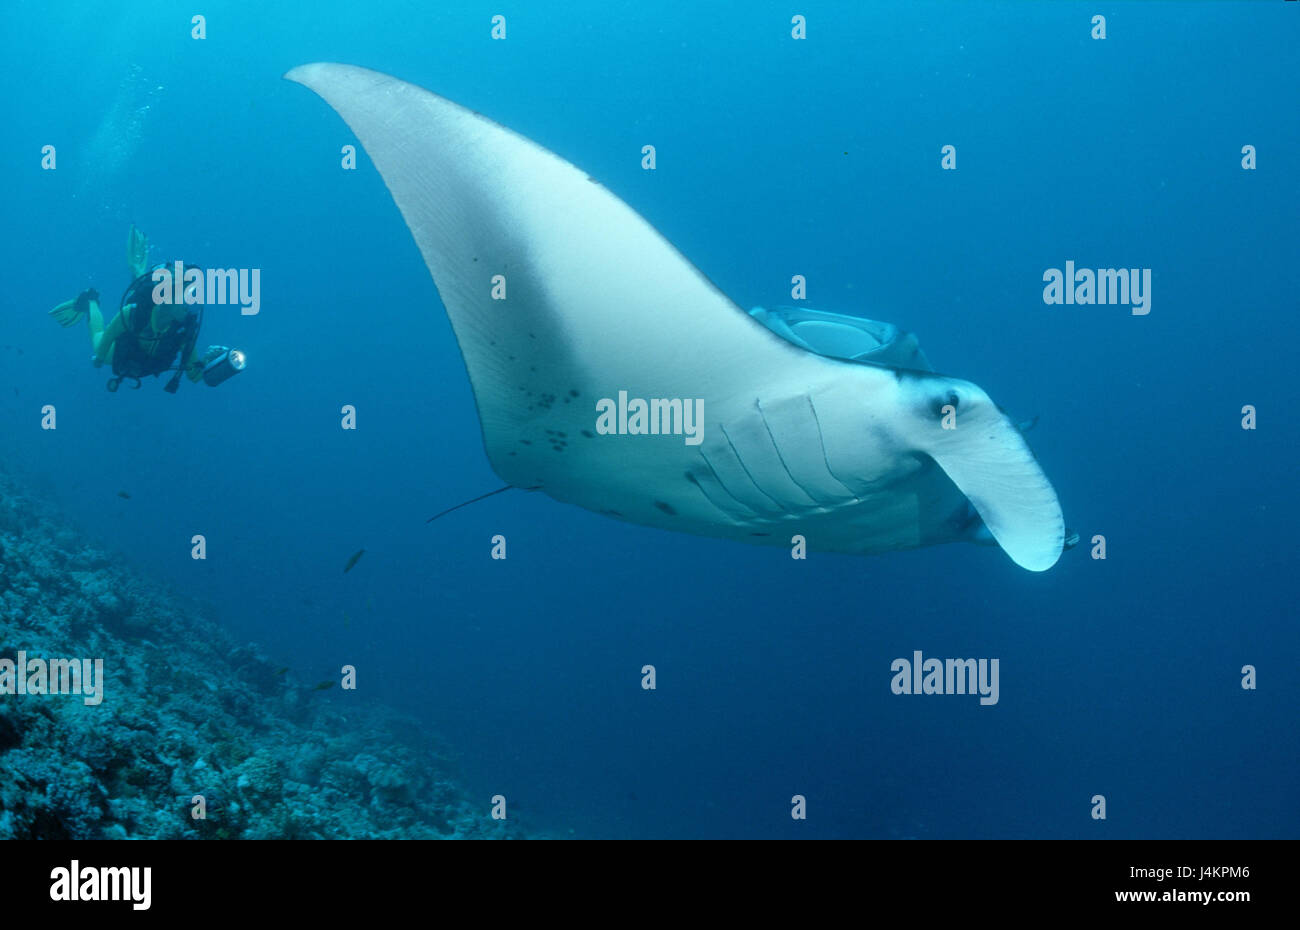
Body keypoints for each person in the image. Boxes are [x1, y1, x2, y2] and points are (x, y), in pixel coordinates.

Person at [50, 225, 228, 392]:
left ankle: (138, 269)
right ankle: (90, 301)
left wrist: (210, 362)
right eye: (188, 297)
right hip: (121, 354)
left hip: (147, 365)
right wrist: (98, 360)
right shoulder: (132, 314)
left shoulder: (182, 332)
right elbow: (105, 342)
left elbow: (192, 375)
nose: (192, 306)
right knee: (99, 346)